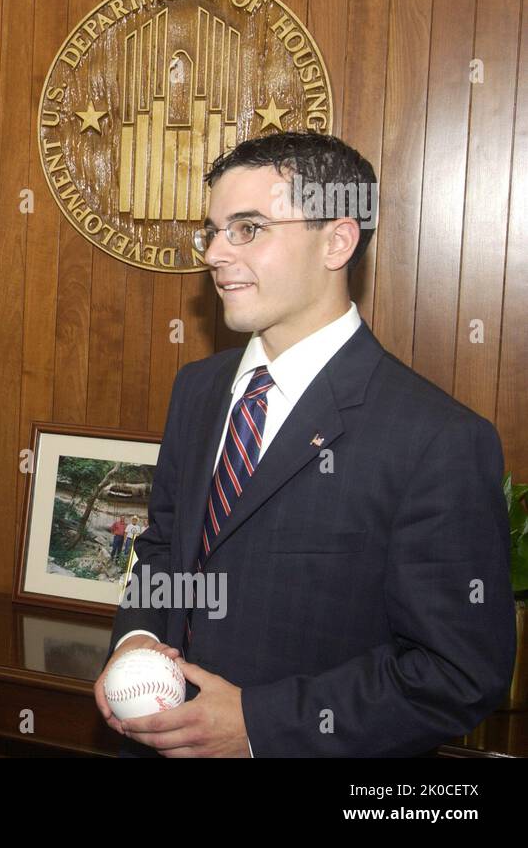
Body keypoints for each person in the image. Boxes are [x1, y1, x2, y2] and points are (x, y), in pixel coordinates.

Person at [94, 131, 515, 757]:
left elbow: (456, 675)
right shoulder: (199, 389)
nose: (214, 253)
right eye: (212, 231)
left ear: (338, 240)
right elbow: (163, 551)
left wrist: (259, 725)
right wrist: (133, 646)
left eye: (248, 228)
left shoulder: (439, 440)